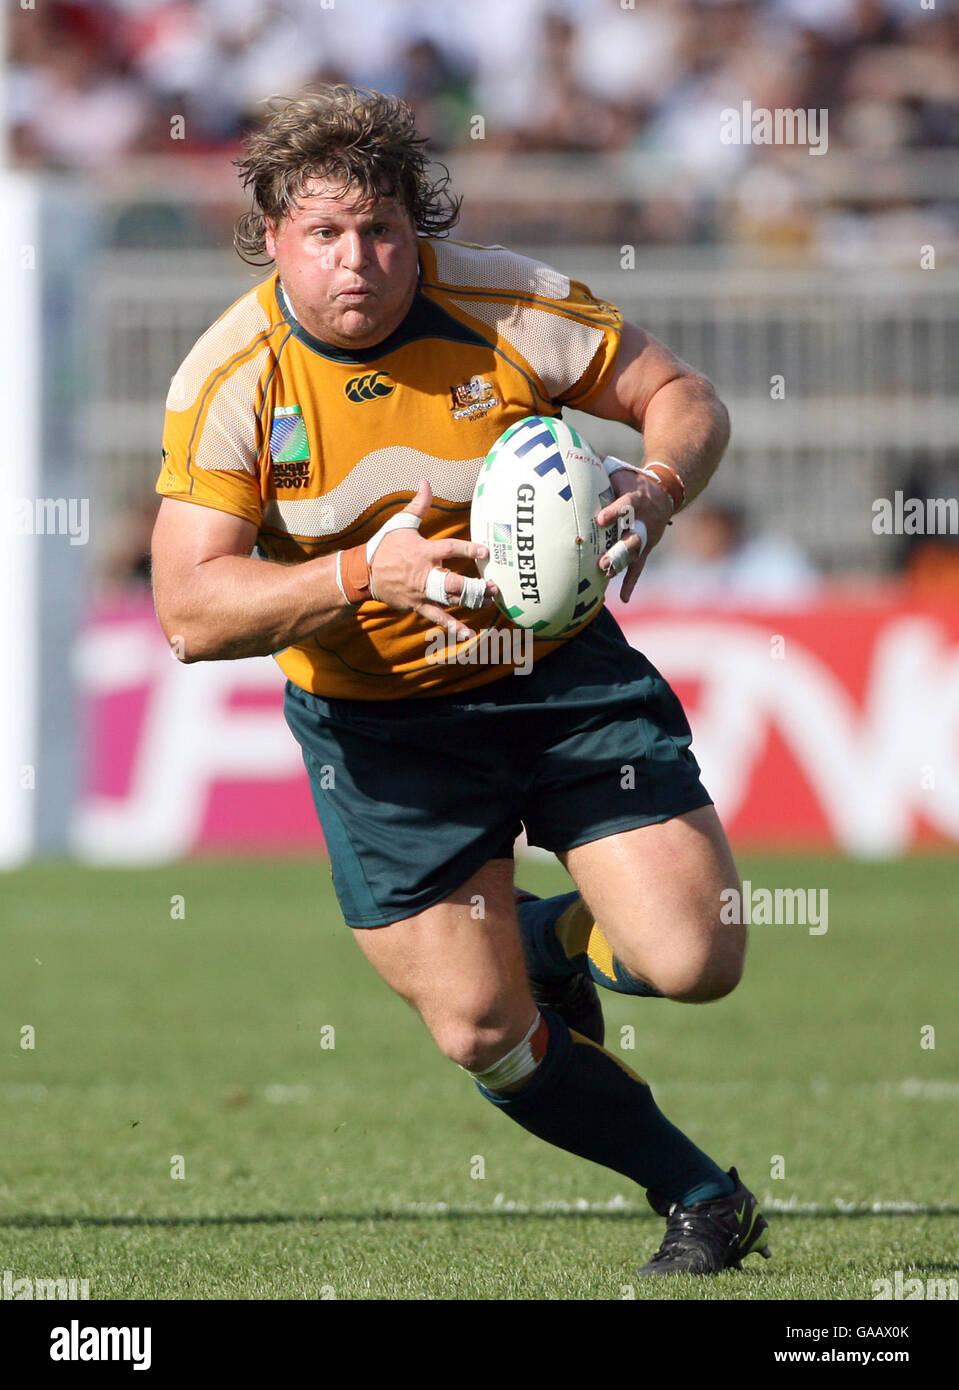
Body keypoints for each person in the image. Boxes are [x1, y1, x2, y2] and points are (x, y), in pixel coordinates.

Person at [150, 84, 770, 1280]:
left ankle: (555, 930)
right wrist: (354, 572)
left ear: (415, 230)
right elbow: (187, 610)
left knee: (697, 960)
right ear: (272, 234)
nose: (357, 261)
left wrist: (654, 483)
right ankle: (697, 1191)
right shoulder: (232, 378)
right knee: (484, 1030)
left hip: (559, 681)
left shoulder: (502, 302)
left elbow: (682, 395)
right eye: (323, 233)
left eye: (380, 229)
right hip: (381, 729)